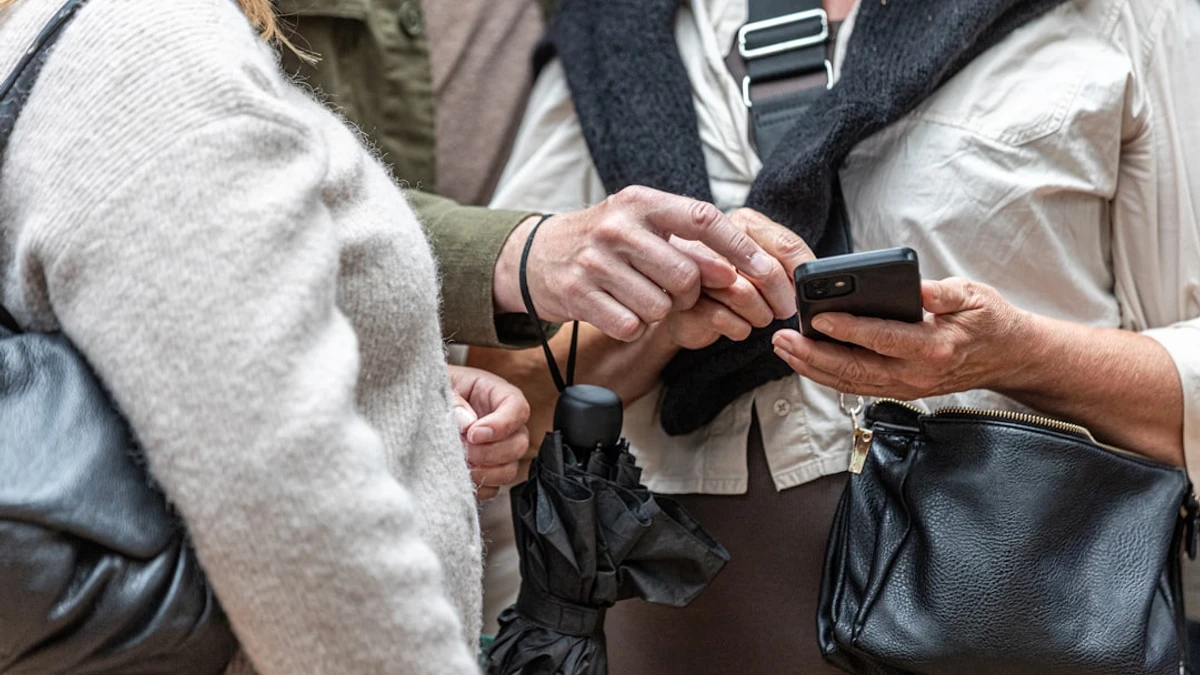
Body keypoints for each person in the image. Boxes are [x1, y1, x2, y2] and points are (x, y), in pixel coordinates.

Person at [0, 0, 795, 673]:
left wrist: (398, 382)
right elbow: (285, 491)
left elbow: (175, 333)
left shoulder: (65, 44)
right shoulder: (150, 49)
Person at [488, 0, 1200, 671]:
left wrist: (1015, 355)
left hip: (1025, 617)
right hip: (670, 634)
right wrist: (658, 311)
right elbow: (504, 383)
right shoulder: (620, 30)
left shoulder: (1128, 18)